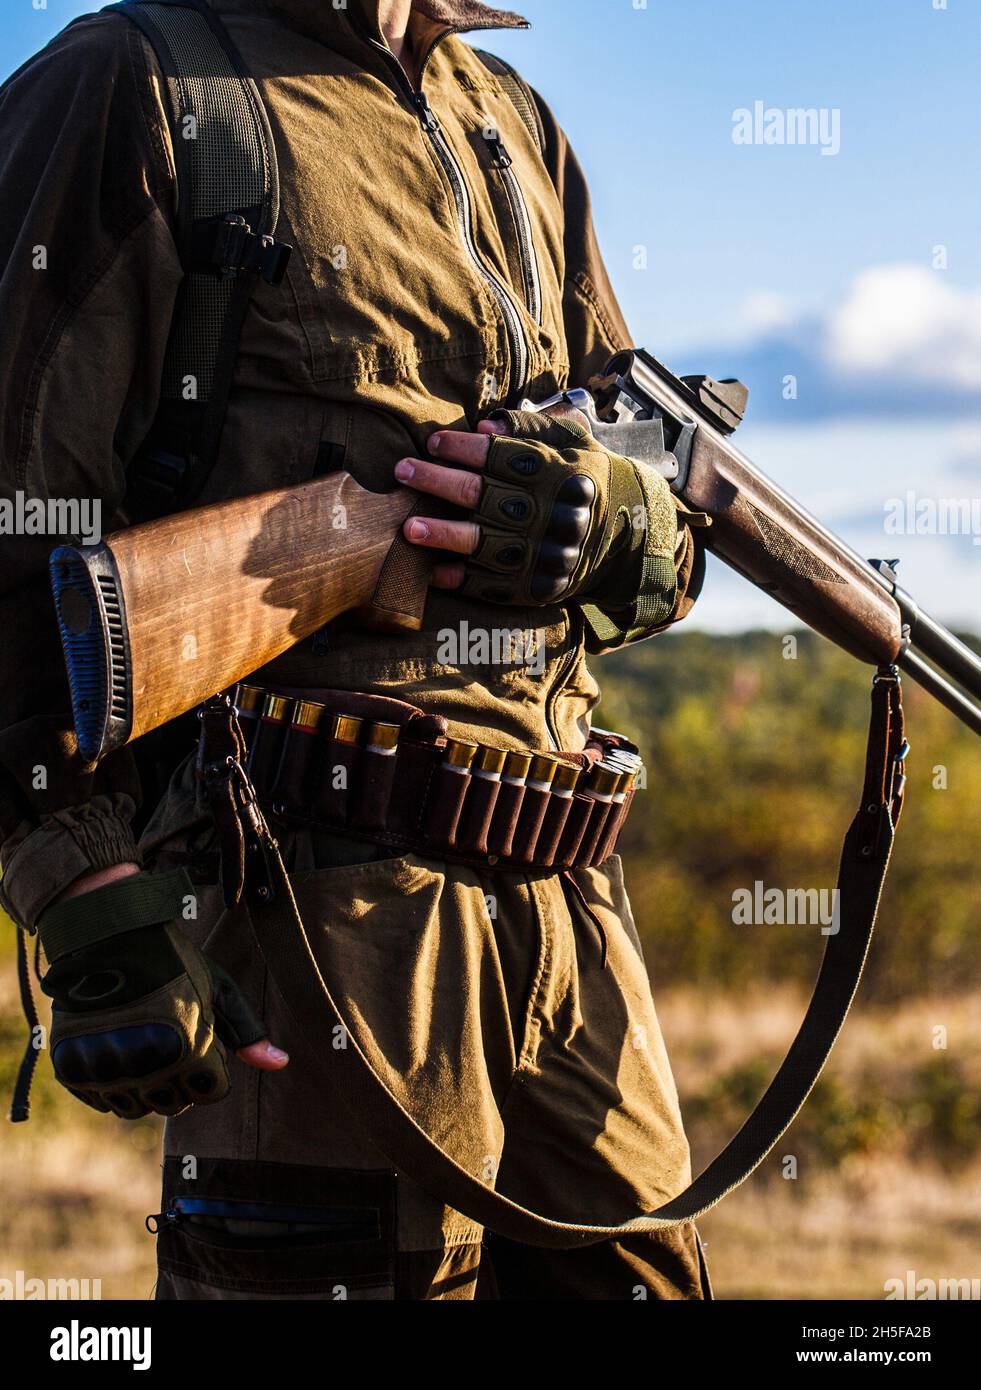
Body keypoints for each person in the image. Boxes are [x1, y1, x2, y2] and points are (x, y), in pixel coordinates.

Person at [0, 0, 709, 1300]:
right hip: (320, 914)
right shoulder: (133, 84)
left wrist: (619, 519)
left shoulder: (514, 121)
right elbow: (16, 515)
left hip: (570, 906)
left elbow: (653, 481)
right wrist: (86, 895)